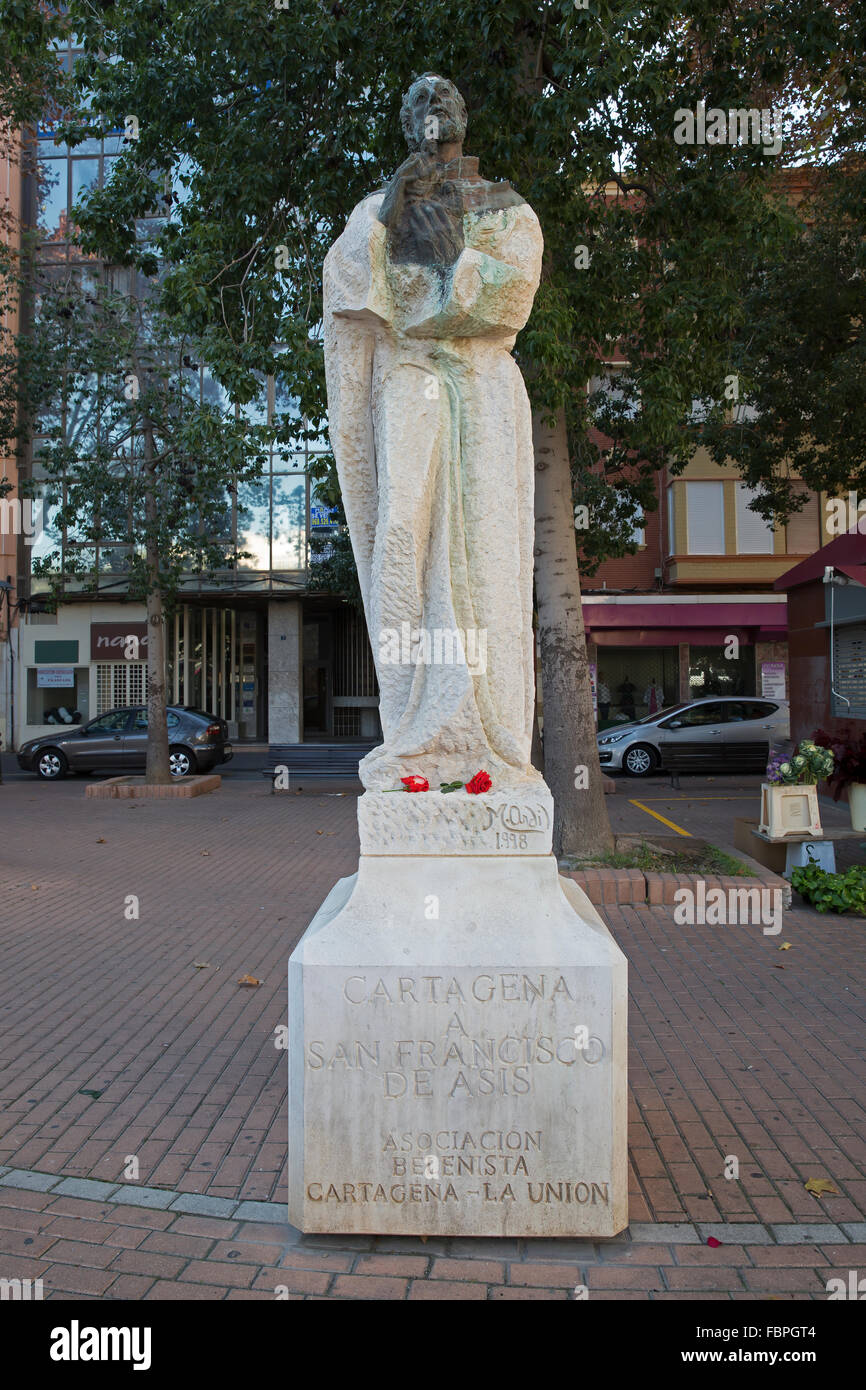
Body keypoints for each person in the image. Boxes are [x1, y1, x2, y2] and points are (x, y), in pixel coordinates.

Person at [323, 74, 544, 791]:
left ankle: (490, 733)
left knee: (485, 552)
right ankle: (412, 722)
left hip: (481, 388)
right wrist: (395, 212)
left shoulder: (506, 208)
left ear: (466, 116)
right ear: (403, 121)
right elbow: (353, 295)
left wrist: (453, 255)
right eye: (416, 98)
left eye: (446, 95)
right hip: (409, 383)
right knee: (400, 540)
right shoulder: (376, 211)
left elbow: (514, 299)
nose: (433, 106)